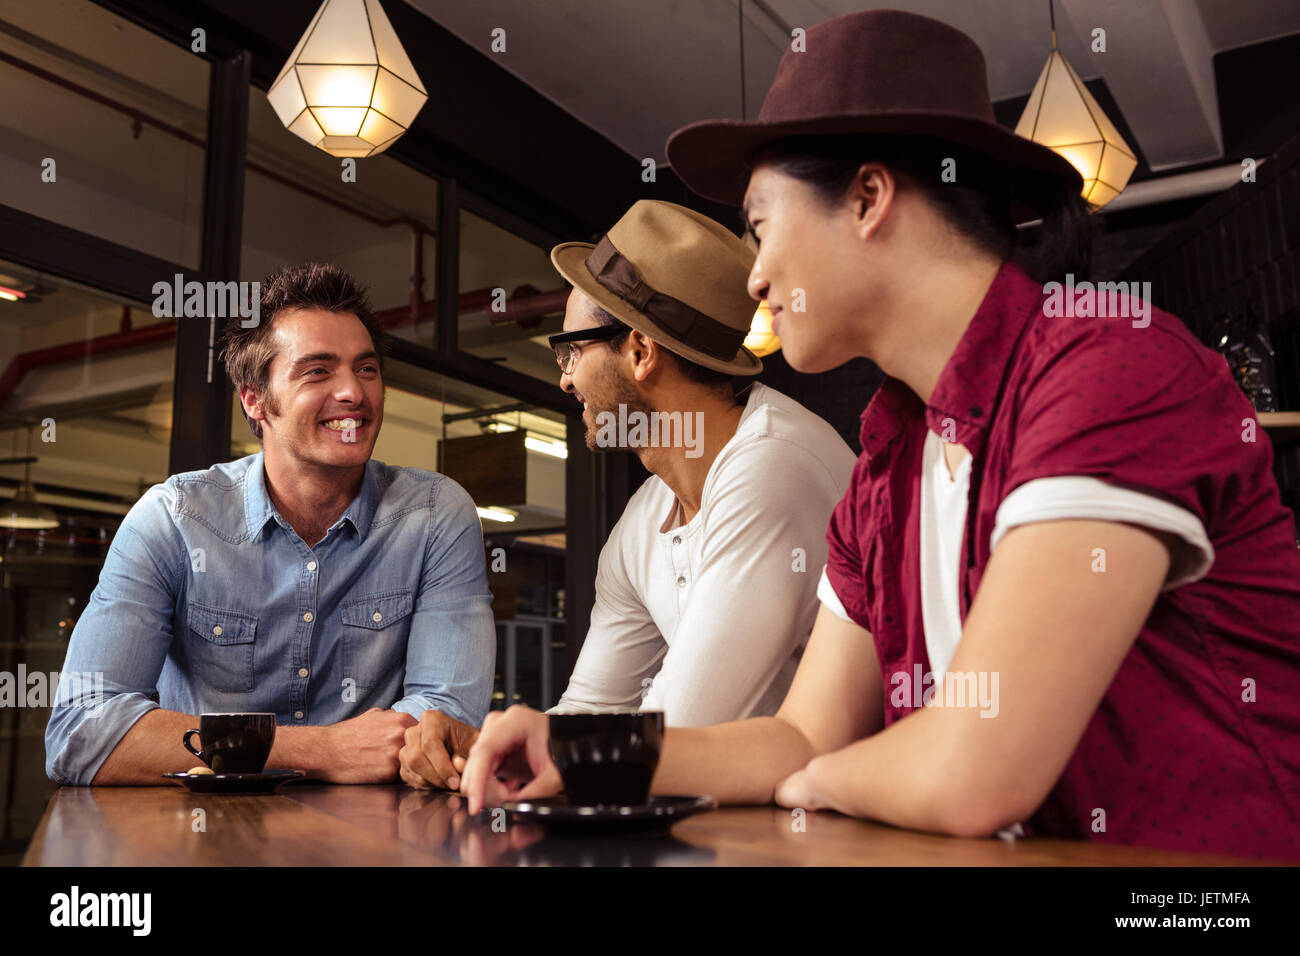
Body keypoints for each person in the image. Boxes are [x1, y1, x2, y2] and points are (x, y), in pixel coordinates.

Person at [459, 10, 1300, 860]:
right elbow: (798, 735)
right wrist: (581, 753)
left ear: (867, 198)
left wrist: (823, 780)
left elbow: (971, 766)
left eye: (759, 226)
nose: (754, 277)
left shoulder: (1102, 369)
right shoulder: (885, 467)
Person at [399, 200, 855, 789]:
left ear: (640, 352)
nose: (563, 378)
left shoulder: (772, 467)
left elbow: (680, 727)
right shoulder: (642, 523)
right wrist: (485, 743)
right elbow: (591, 713)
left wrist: (543, 756)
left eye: (571, 351)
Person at [45, 262, 494, 786]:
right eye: (318, 371)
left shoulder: (437, 516)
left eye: (367, 369)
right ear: (254, 399)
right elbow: (81, 729)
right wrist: (321, 749)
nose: (354, 392)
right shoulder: (173, 520)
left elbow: (446, 719)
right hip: (197, 842)